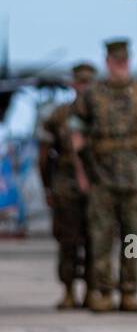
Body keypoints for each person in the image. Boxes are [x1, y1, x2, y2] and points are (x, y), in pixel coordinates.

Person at [70, 41, 137, 313]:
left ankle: (129, 292)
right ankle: (103, 291)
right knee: (101, 238)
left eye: (124, 61)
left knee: (131, 238)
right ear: (107, 61)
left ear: (128, 62)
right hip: (102, 179)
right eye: (115, 61)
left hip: (134, 179)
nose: (120, 66)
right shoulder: (92, 95)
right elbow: (76, 136)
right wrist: (83, 173)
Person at [38, 62, 97, 309]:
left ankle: (95, 290)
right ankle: (69, 290)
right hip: (65, 183)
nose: (84, 88)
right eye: (80, 82)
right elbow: (43, 155)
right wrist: (48, 188)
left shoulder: (102, 113)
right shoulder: (59, 115)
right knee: (67, 239)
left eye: (88, 83)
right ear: (73, 84)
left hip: (97, 183)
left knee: (100, 239)